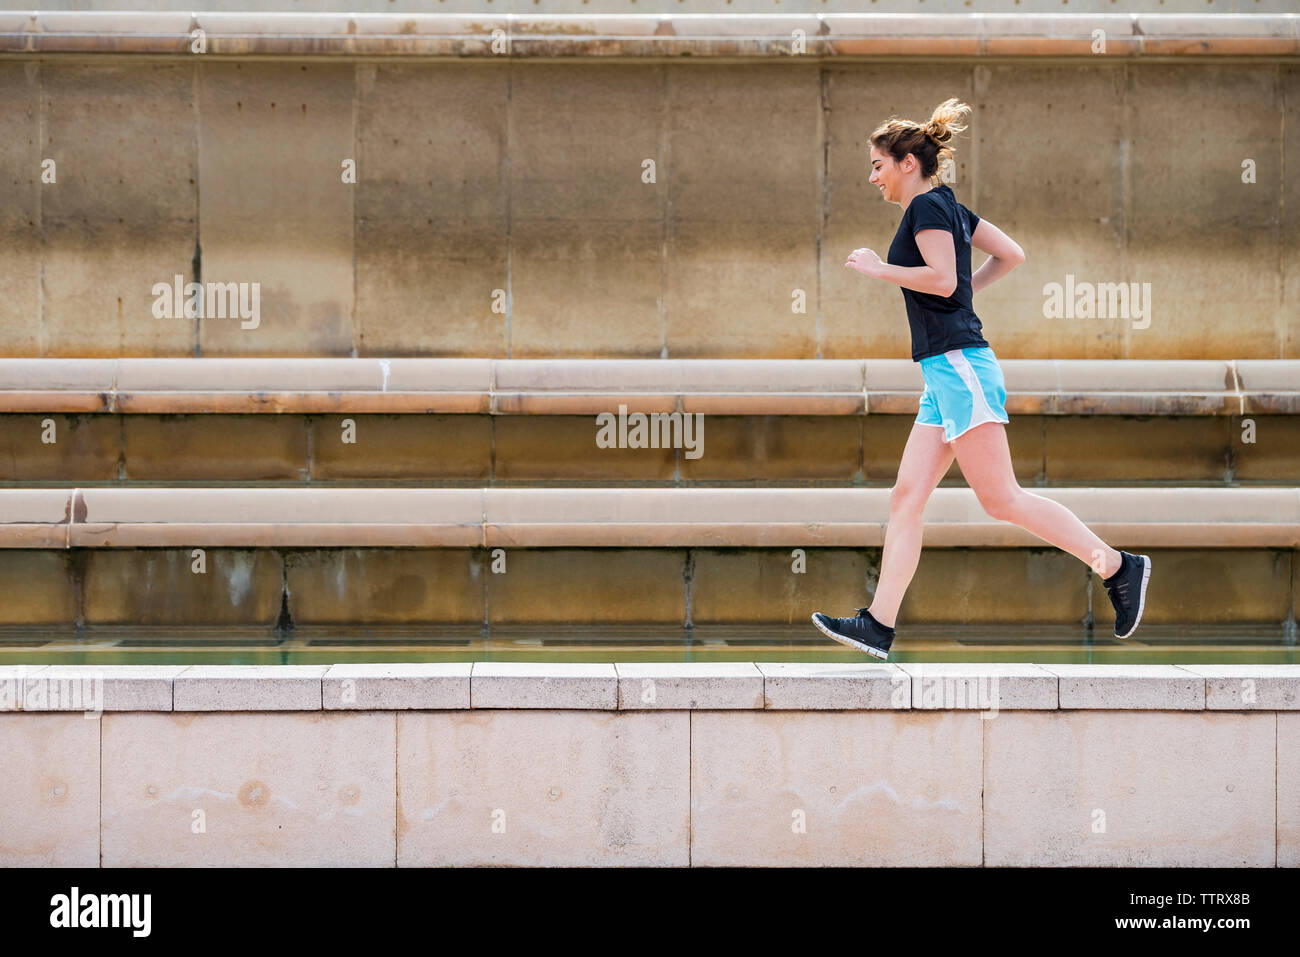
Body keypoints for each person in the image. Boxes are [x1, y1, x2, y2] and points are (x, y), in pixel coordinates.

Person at [811, 98, 1151, 660]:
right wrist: (960, 291)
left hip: (959, 365)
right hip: (944, 373)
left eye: (877, 164)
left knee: (1001, 499)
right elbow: (1010, 255)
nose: (871, 176)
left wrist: (880, 269)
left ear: (906, 163)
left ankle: (1116, 566)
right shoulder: (950, 207)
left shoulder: (925, 210)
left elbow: (943, 280)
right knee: (906, 497)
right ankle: (878, 623)